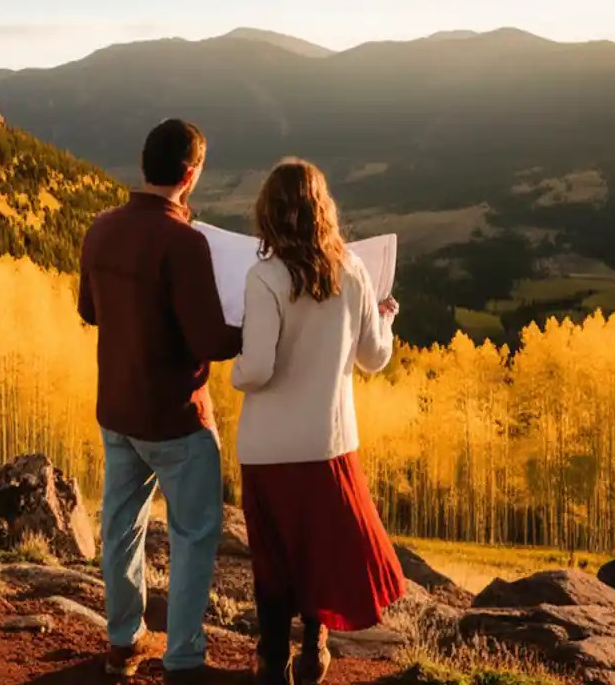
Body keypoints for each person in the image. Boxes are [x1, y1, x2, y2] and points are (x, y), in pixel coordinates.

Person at [77, 118, 242, 684]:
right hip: (176, 419)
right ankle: (183, 657)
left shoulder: (99, 229)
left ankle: (123, 643)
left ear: (146, 164)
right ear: (191, 174)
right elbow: (211, 343)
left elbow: (89, 310)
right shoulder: (185, 242)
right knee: (194, 535)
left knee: (121, 528)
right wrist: (255, 324)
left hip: (118, 411)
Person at [231, 158, 405, 685]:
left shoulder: (264, 277)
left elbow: (256, 369)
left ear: (269, 213)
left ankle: (272, 662)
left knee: (275, 559)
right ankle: (315, 651)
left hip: (269, 449)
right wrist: (388, 318)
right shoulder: (352, 270)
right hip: (331, 444)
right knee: (319, 552)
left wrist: (234, 367)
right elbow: (374, 359)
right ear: (322, 210)